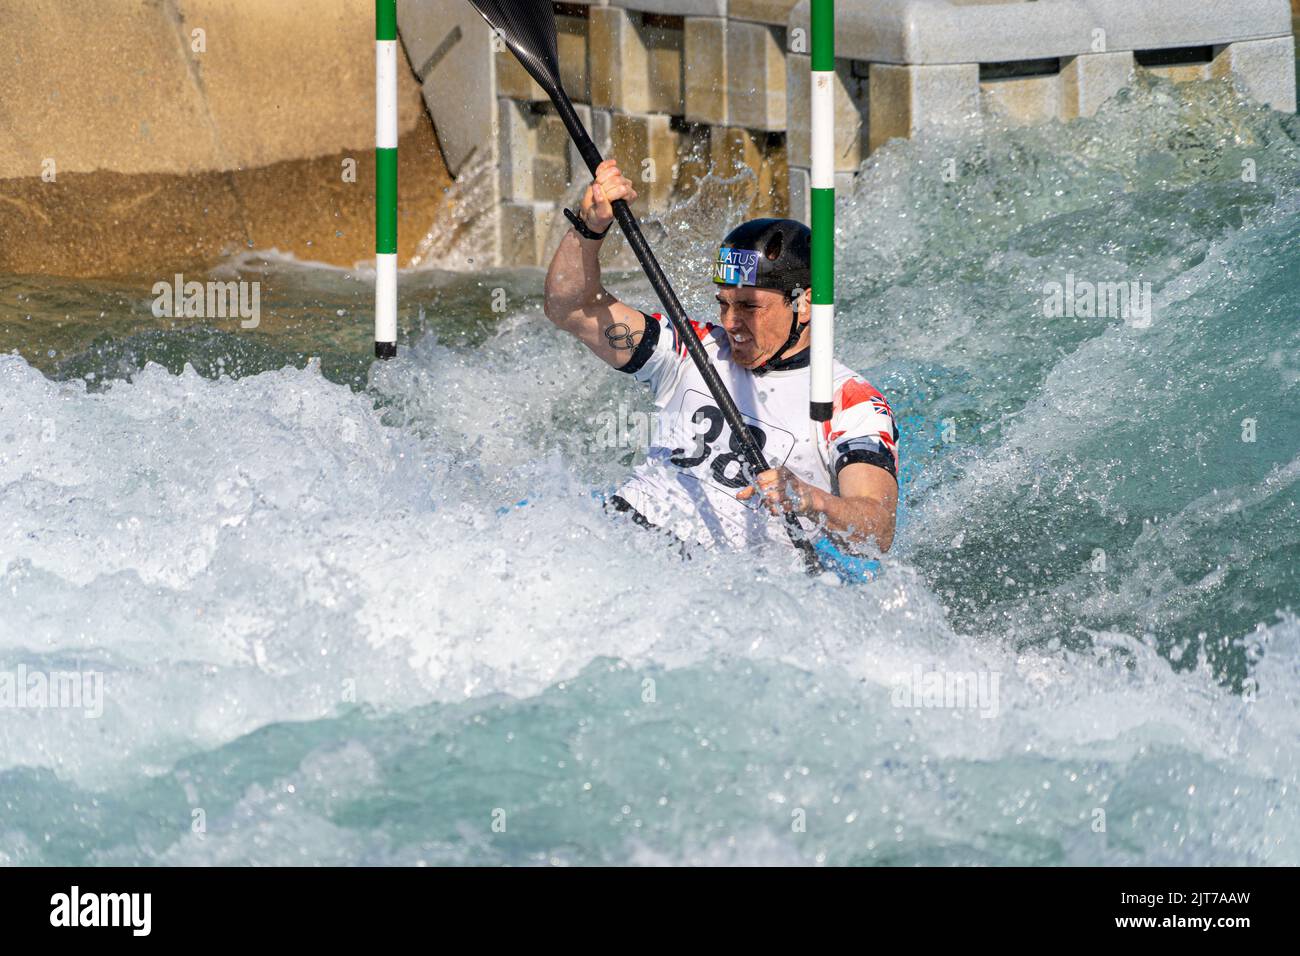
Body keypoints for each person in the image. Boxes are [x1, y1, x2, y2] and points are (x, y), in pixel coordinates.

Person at [543, 158, 899, 558]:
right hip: (621, 534)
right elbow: (569, 307)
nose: (730, 322)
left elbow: (877, 528)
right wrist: (588, 229)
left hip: (721, 583)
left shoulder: (850, 402)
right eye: (723, 304)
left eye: (749, 307)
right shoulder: (690, 348)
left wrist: (811, 499)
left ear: (805, 303)